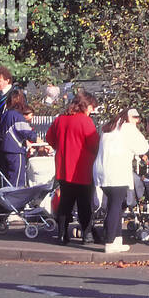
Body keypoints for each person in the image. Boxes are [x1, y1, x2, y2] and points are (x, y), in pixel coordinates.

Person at [47, 91, 101, 245]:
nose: (92, 110)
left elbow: (50, 138)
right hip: (82, 167)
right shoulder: (85, 121)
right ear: (85, 105)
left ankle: (62, 234)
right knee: (84, 203)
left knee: (65, 202)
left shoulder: (60, 119)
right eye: (91, 107)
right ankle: (87, 234)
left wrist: (62, 147)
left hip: (64, 167)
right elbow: (94, 144)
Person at [95, 108, 148, 254]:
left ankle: (117, 239)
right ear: (129, 117)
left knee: (115, 206)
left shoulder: (110, 127)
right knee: (115, 206)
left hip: (102, 172)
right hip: (117, 172)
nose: (137, 121)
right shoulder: (128, 128)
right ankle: (110, 242)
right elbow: (142, 147)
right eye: (135, 118)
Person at [0, 90, 36, 187]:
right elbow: (27, 132)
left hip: (4, 151)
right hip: (15, 151)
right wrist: (37, 139)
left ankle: (5, 201)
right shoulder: (17, 116)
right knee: (17, 182)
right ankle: (15, 202)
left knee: (7, 181)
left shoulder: (4, 115)